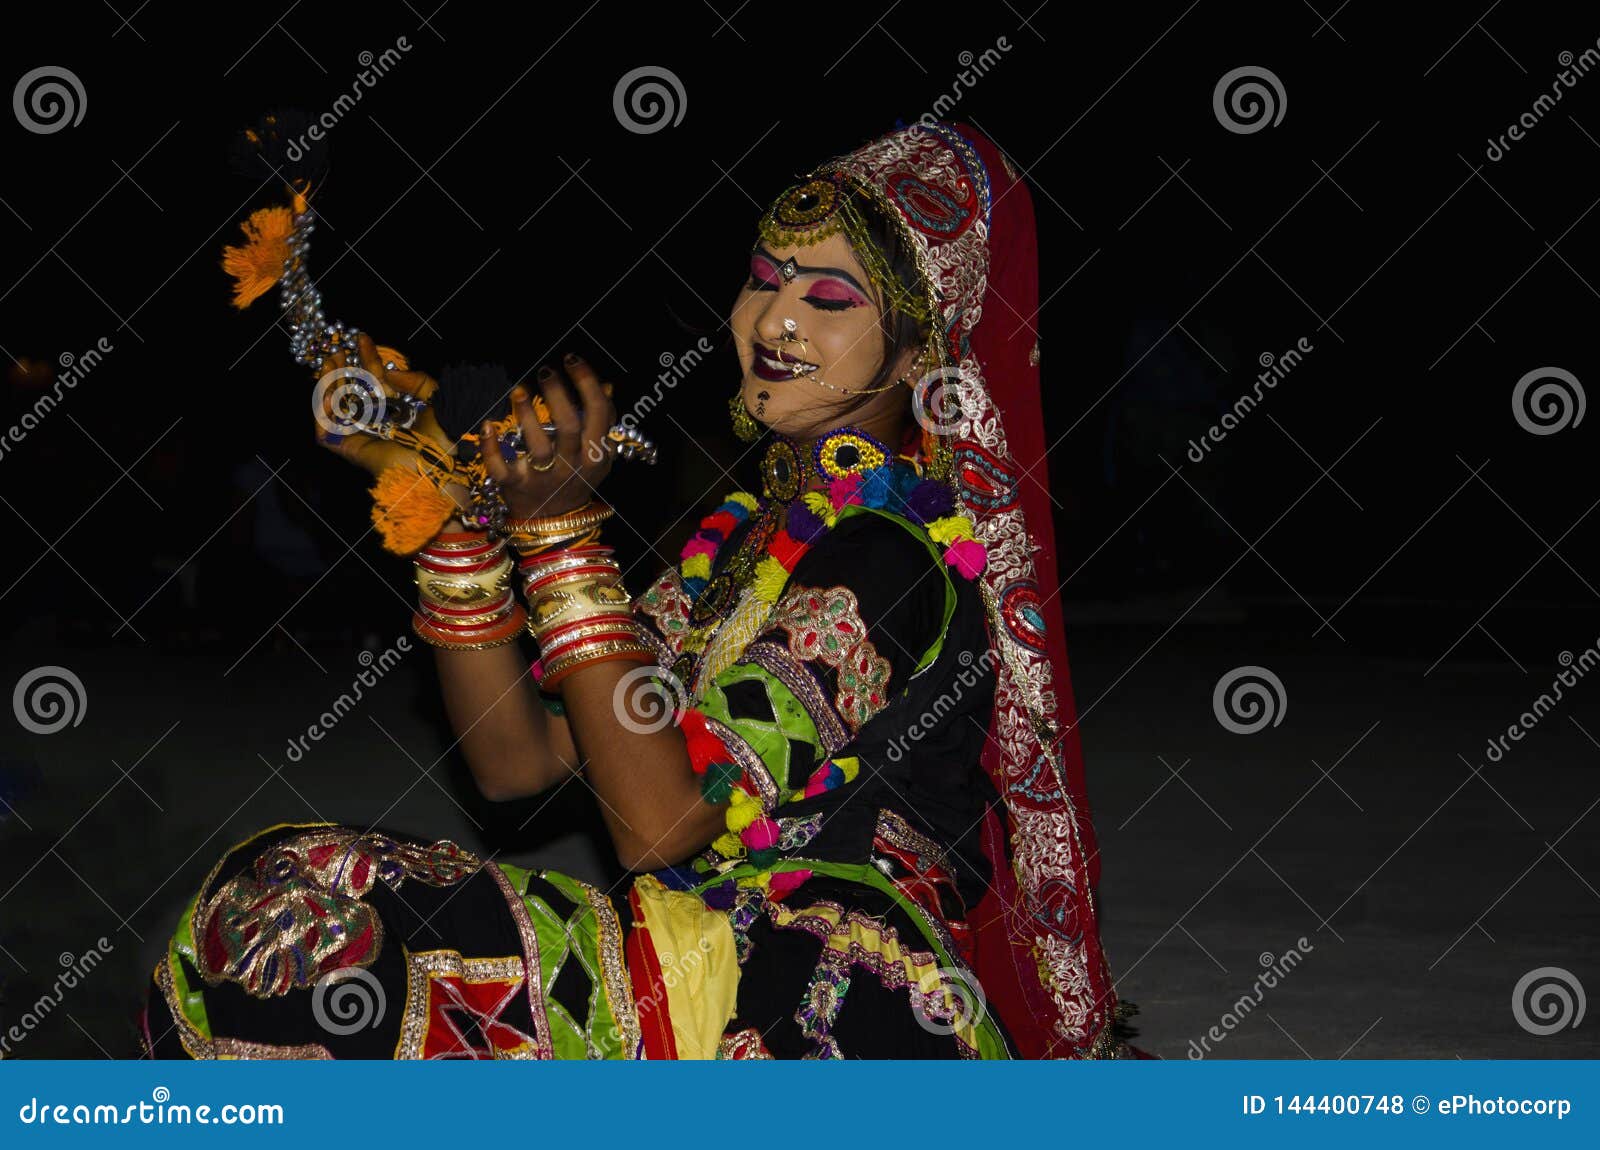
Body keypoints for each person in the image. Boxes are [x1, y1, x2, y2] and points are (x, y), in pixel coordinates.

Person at [143, 120, 1128, 1060]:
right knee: (284, 898)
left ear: (922, 349)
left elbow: (659, 824)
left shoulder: (894, 552)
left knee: (318, 918)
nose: (771, 319)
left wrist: (559, 534)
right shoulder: (746, 544)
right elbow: (517, 764)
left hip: (823, 999)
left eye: (827, 299)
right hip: (698, 959)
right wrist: (458, 525)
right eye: (761, 280)